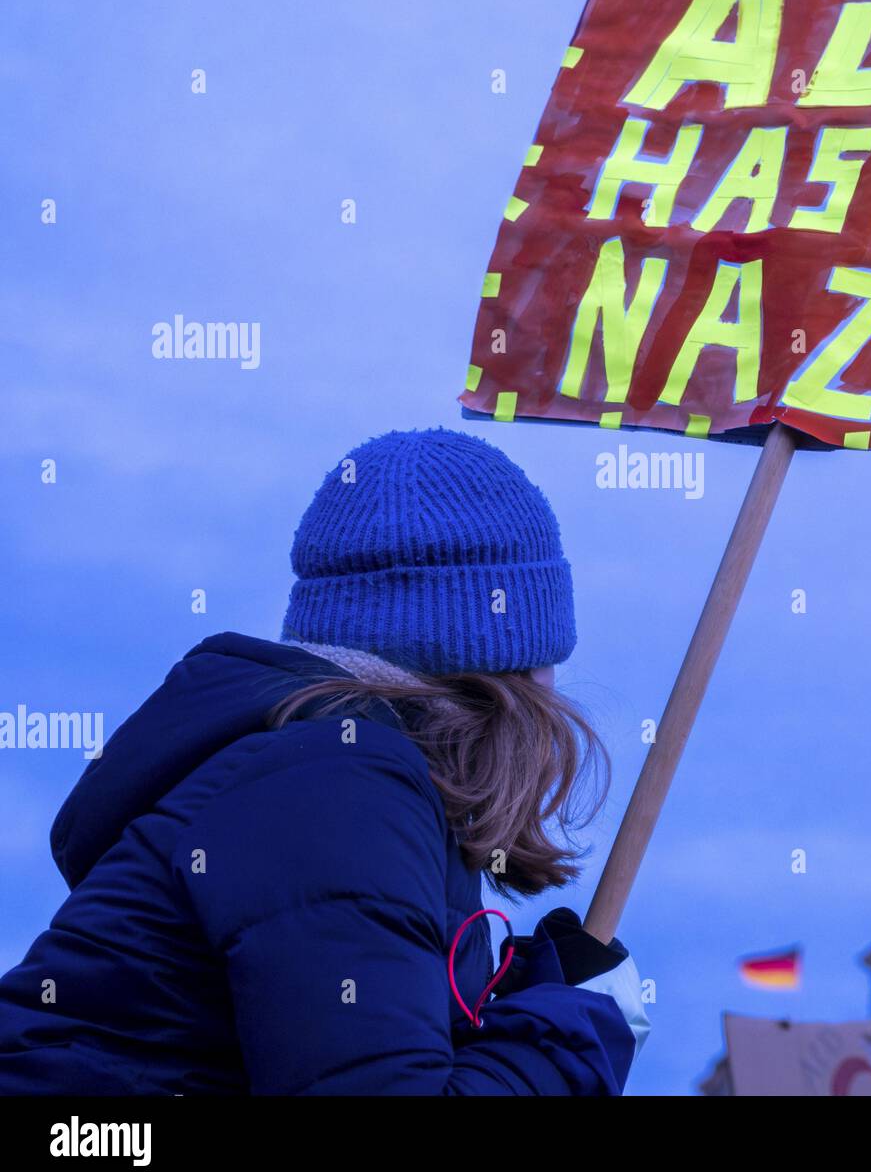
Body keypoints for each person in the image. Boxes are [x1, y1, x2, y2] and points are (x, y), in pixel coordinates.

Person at [0, 429, 644, 1095]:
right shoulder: (337, 785)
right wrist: (575, 1034)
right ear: (501, 664)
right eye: (548, 659)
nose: (555, 691)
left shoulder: (318, 773)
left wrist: (519, 1001)